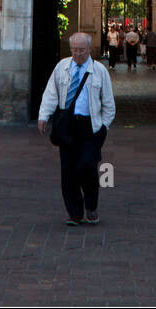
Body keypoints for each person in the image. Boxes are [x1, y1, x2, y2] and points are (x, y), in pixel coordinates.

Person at [38, 32, 115, 225]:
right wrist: (43, 115)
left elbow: (108, 103)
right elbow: (51, 93)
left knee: (87, 166)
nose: (77, 53)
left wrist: (103, 127)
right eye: (74, 49)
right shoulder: (62, 67)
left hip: (91, 127)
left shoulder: (99, 71)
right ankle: (74, 213)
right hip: (68, 125)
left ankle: (91, 206)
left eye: (81, 50)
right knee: (68, 170)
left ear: (89, 49)